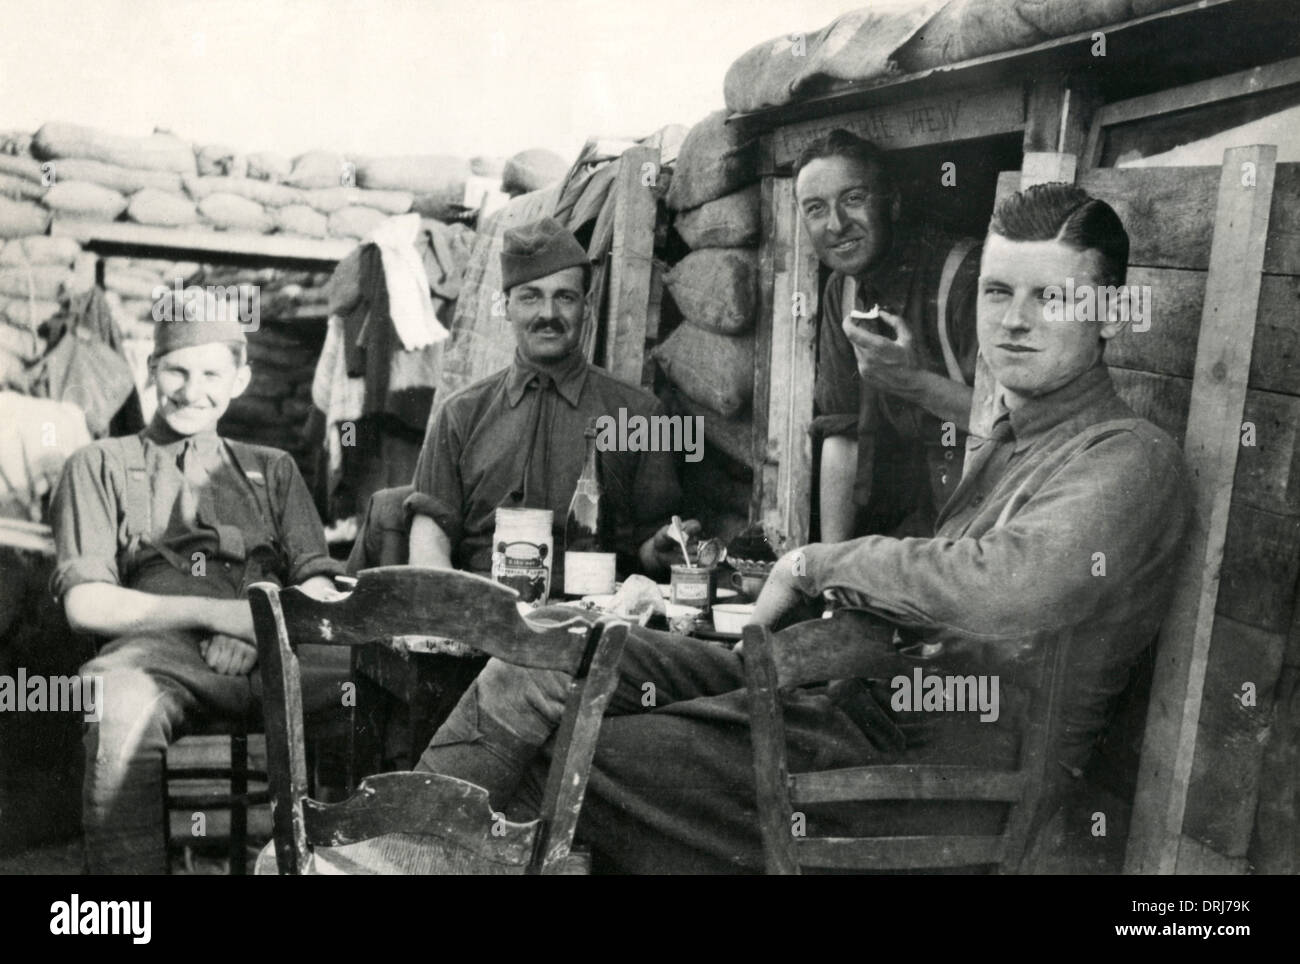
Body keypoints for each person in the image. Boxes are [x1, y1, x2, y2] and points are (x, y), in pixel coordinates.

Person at [414, 183, 1191, 873]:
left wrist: (815, 565)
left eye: (1050, 300)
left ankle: (423, 854)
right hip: (851, 699)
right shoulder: (1011, 441)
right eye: (996, 293)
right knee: (552, 655)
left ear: (1111, 316)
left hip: (937, 773)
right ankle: (396, 843)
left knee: (589, 750)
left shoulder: (1127, 459)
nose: (1014, 322)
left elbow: (1011, 589)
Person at [51, 305, 348, 874]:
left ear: (240, 380)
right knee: (117, 701)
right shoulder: (97, 464)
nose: (192, 392)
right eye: (176, 372)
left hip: (277, 651)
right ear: (151, 369)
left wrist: (260, 630)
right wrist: (218, 615)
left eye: (212, 375)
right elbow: (85, 603)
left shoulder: (275, 468)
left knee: (378, 684)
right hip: (162, 653)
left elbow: (316, 579)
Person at [405, 217, 694, 590]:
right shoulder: (460, 415)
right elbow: (430, 538)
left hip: (596, 617)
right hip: (486, 612)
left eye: (565, 297)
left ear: (586, 308)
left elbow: (652, 547)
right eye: (530, 296)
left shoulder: (639, 414)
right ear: (506, 306)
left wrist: (660, 549)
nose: (548, 314)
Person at [795, 129, 982, 541]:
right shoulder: (841, 291)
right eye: (815, 208)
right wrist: (833, 569)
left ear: (892, 203)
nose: (837, 224)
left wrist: (914, 384)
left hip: (989, 520)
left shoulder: (964, 277)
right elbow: (842, 434)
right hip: (914, 528)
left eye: (853, 199)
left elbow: (1017, 422)